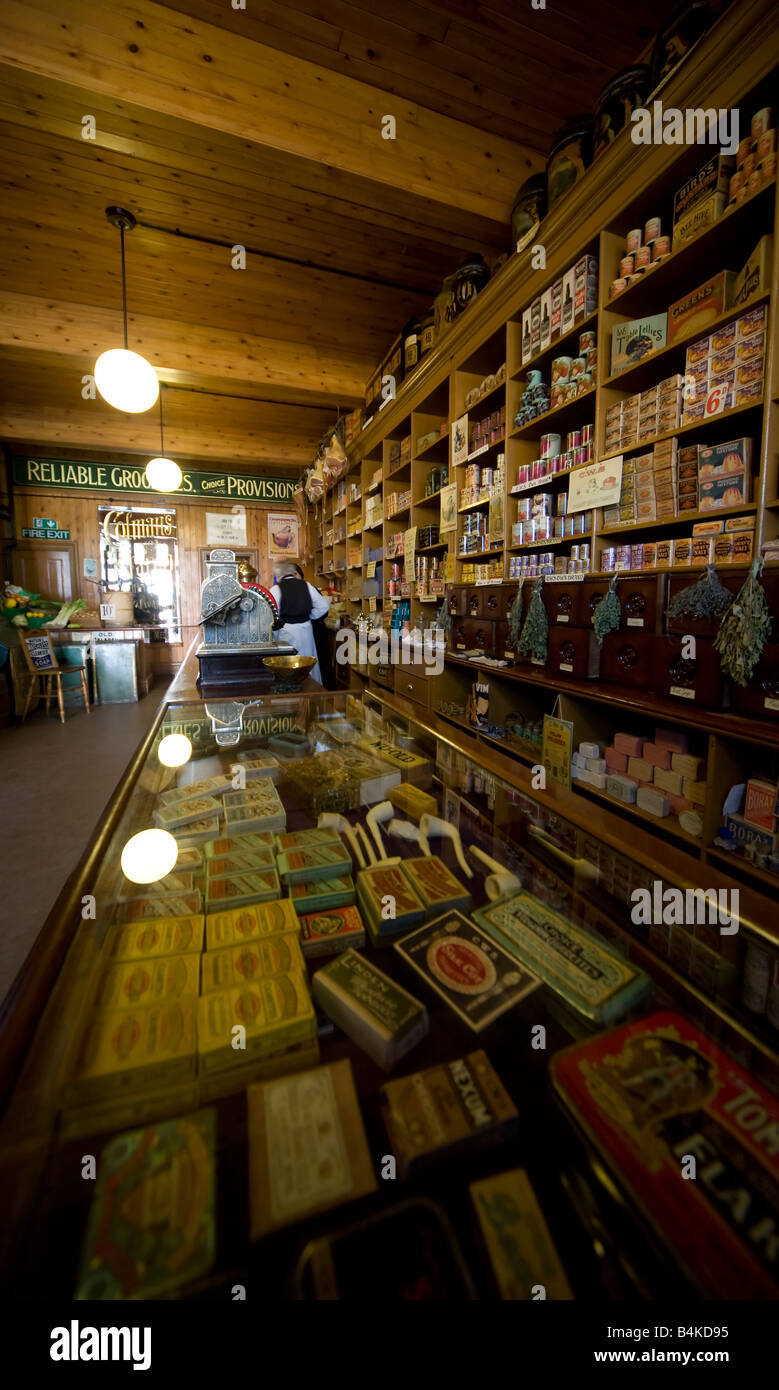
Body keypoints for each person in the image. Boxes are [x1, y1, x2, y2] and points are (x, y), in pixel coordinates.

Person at [270, 560, 330, 684]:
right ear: (293, 571)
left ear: (278, 575)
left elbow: (271, 614)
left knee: (288, 666)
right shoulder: (306, 585)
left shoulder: (276, 589)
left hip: (286, 631)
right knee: (308, 662)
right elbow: (324, 606)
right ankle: (312, 693)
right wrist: (310, 616)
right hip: (306, 629)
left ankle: (290, 694)